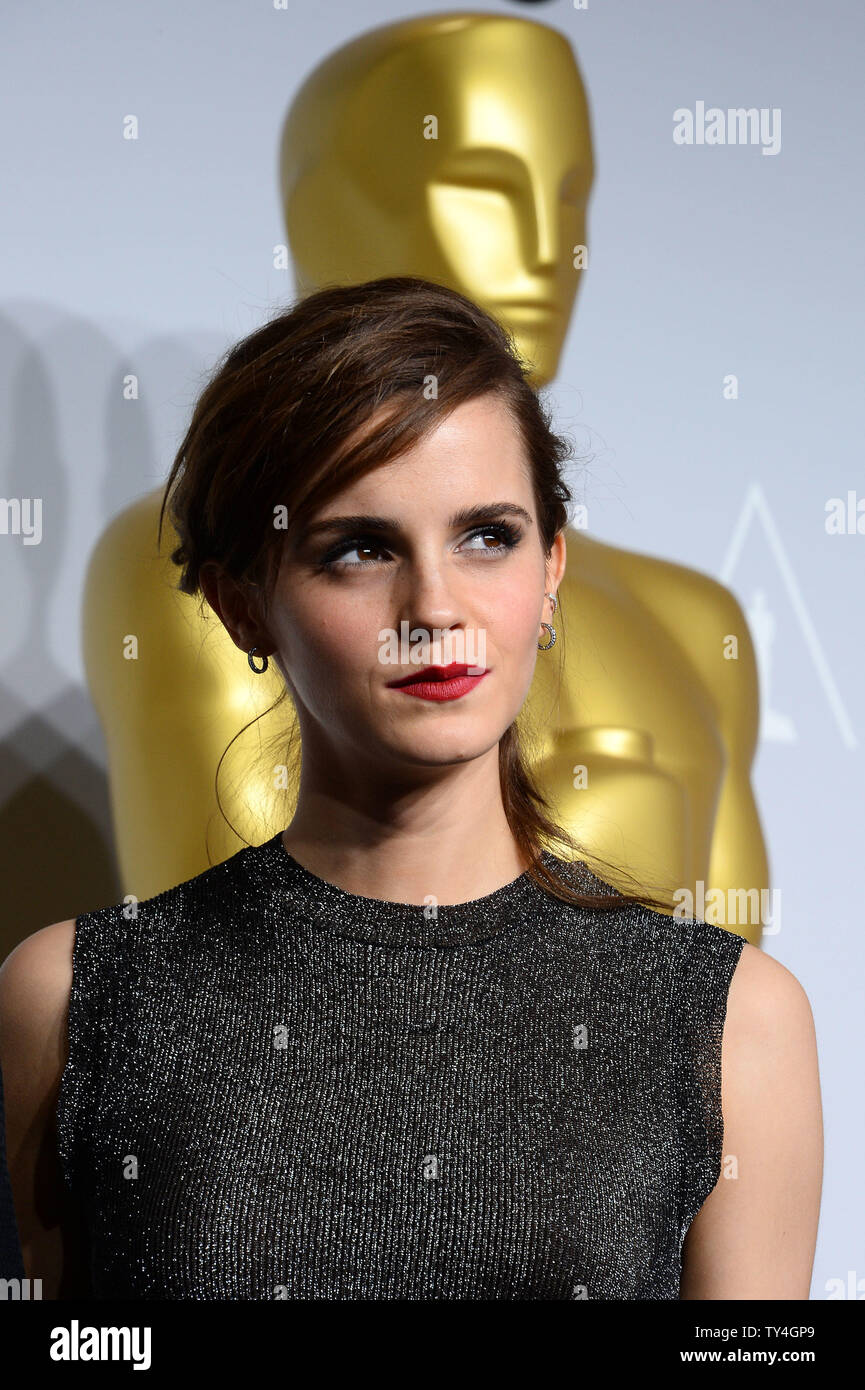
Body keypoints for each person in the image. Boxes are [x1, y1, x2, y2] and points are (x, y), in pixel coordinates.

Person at [0, 277, 822, 1300]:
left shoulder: (733, 1022)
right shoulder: (76, 999)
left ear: (552, 568)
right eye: (360, 547)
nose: (435, 605)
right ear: (241, 606)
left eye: (488, 535)